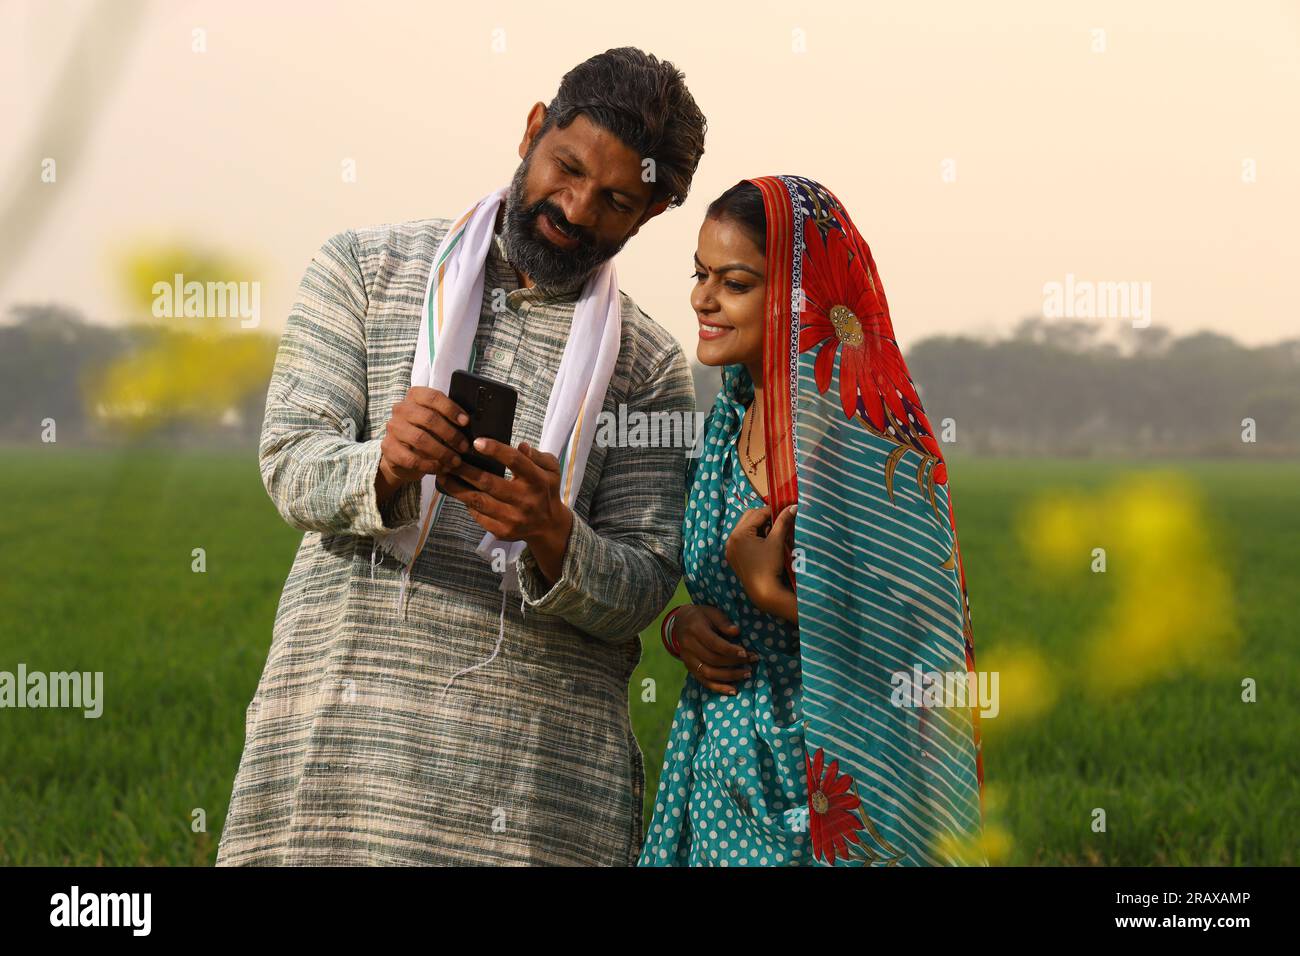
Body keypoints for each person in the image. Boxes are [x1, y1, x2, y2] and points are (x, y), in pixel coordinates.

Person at [216, 48, 706, 866]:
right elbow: (291, 463)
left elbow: (647, 581)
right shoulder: (365, 271)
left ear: (651, 213)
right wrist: (385, 463)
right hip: (342, 751)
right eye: (567, 168)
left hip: (535, 780)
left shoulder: (650, 367)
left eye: (615, 199)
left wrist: (554, 535)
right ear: (530, 132)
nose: (577, 209)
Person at [639, 176, 985, 867]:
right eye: (700, 274)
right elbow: (708, 589)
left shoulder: (871, 446)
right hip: (716, 782)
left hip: (831, 788)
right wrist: (682, 628)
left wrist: (776, 599)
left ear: (803, 301)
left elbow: (923, 649)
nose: (702, 299)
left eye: (734, 282)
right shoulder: (725, 431)